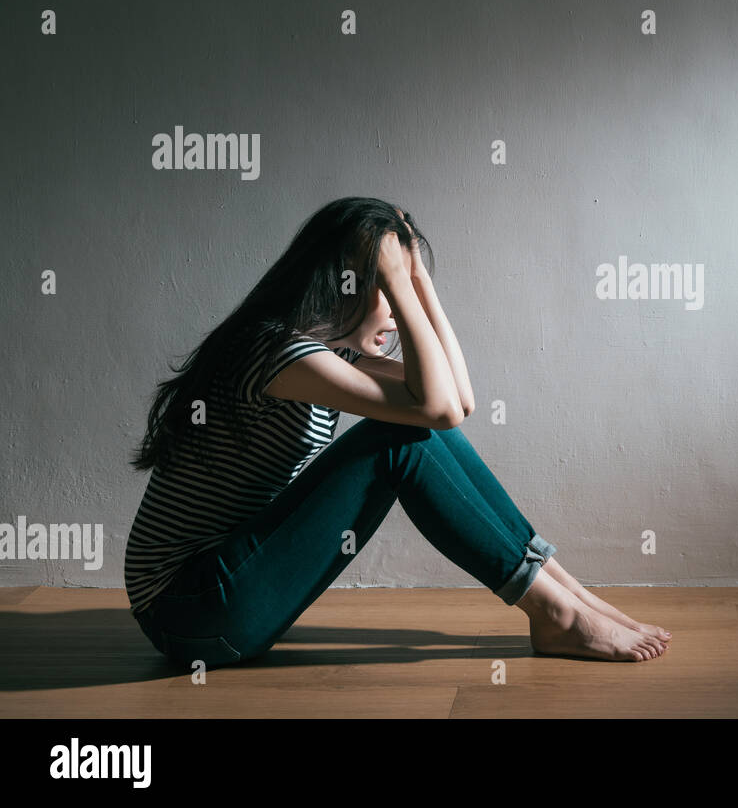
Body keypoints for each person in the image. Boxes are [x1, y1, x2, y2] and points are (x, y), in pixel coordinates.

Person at [126, 197, 670, 668]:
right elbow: (438, 409)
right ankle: (553, 610)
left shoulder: (328, 354)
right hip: (189, 613)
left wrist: (415, 277)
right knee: (394, 439)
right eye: (383, 290)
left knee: (416, 428)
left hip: (226, 598)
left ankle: (564, 593)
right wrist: (398, 282)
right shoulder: (277, 352)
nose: (393, 312)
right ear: (341, 285)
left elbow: (457, 401)